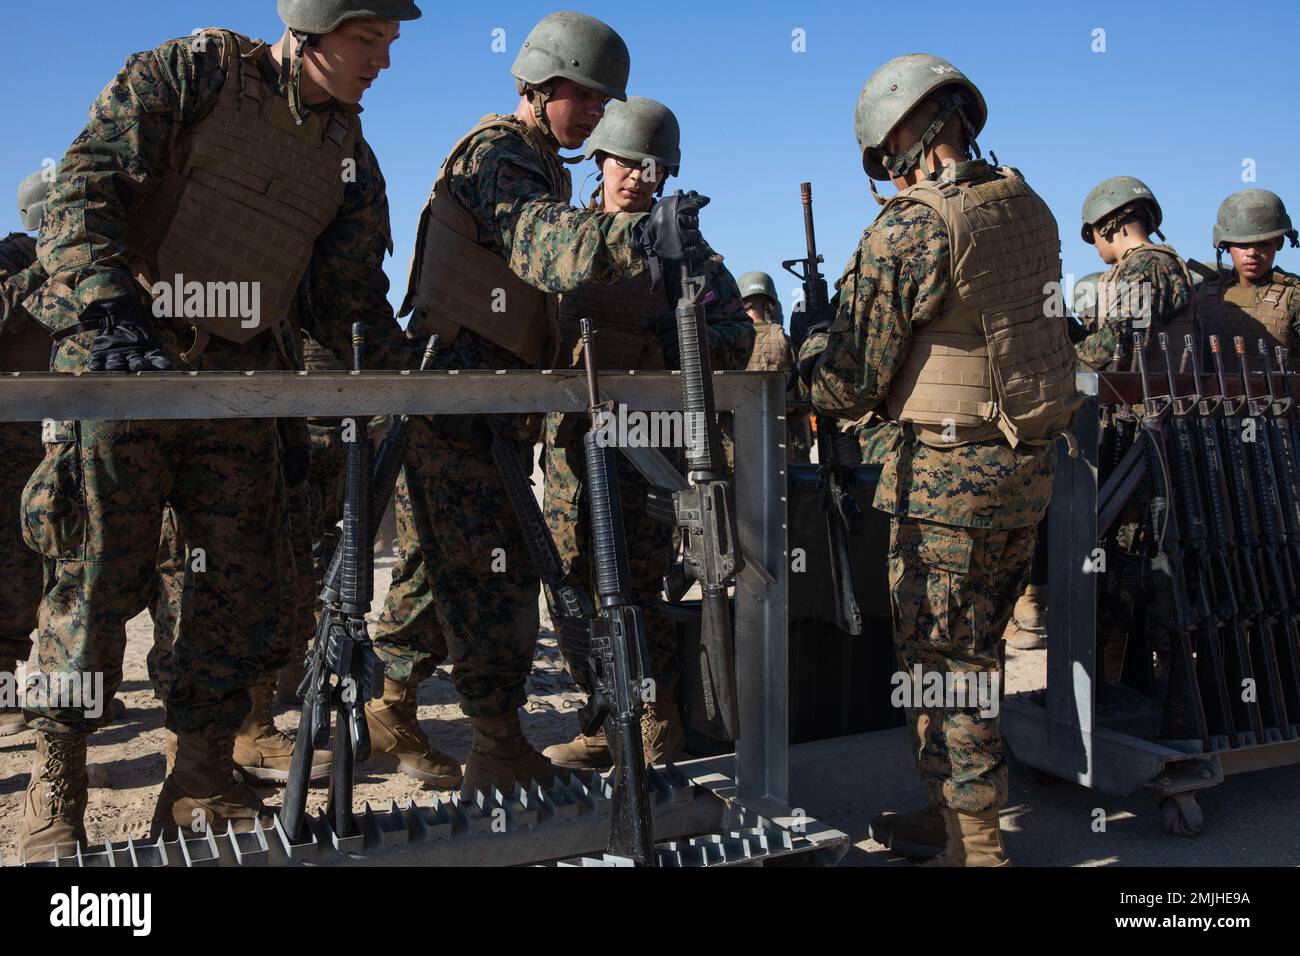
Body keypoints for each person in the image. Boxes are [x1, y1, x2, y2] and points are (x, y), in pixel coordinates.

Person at [17, 0, 422, 860]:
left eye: (390, 43)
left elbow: (346, 300)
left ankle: (199, 776)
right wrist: (107, 306)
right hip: (127, 368)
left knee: (238, 584)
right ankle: (57, 782)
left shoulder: (349, 155)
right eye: (367, 39)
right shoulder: (194, 72)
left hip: (238, 382)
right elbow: (83, 185)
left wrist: (417, 374)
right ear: (311, 31)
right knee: (92, 576)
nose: (382, 61)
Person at [372, 11, 711, 799]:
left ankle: (391, 706)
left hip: (487, 400)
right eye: (584, 97)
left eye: (604, 103)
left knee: (438, 564)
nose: (596, 115)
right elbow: (539, 243)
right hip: (460, 396)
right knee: (495, 576)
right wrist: (635, 237)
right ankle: (494, 746)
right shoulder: (502, 155)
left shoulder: (540, 164)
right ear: (539, 83)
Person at [799, 54, 1078, 866]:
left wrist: (807, 357)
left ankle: (977, 845)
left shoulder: (914, 225)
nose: (886, 172)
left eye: (884, 154)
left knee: (943, 666)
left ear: (903, 134)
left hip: (947, 484)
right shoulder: (1029, 205)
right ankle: (950, 811)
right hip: (1022, 474)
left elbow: (852, 379)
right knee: (975, 651)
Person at [539, 96, 754, 770]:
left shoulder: (686, 253)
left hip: (645, 453)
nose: (637, 176)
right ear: (599, 160)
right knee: (570, 591)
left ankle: (656, 721)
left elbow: (738, 338)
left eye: (652, 166)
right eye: (625, 161)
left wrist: (679, 340)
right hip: (571, 449)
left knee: (635, 592)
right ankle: (606, 718)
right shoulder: (564, 239)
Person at [0, 170, 55, 739]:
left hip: (61, 439)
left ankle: (77, 692)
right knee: (11, 570)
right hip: (11, 445)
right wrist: (45, 267)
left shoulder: (90, 257)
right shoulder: (13, 257)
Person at [1075, 176, 1197, 371]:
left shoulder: (1146, 264)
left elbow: (1118, 342)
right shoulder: (1146, 263)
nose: (1095, 243)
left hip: (1152, 398)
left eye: (1092, 234)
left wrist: (1064, 359)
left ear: (1108, 224)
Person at [1195, 189, 1299, 370]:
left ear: (1279, 243)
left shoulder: (1294, 296)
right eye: (1242, 245)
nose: (1252, 253)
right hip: (1212, 396)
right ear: (1225, 246)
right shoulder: (1202, 291)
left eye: (1263, 244)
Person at [737, 270, 811, 463]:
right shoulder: (782, 339)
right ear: (770, 301)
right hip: (777, 433)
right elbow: (801, 391)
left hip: (737, 435)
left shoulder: (732, 338)